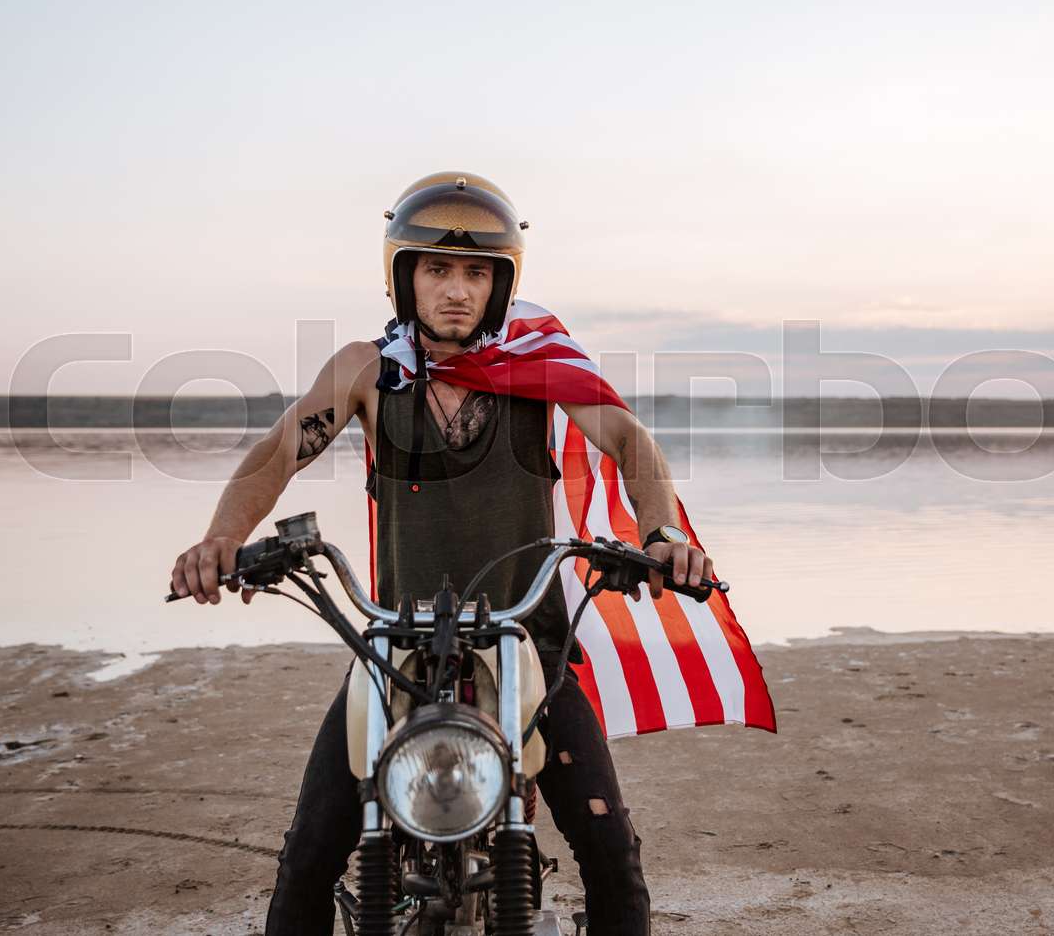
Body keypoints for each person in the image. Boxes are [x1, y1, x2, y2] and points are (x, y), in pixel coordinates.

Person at [169, 172, 712, 935]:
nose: (457, 289)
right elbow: (281, 448)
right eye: (437, 269)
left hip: (530, 646)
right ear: (405, 277)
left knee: (610, 853)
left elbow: (629, 439)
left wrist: (663, 536)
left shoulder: (538, 366)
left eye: (475, 272)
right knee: (310, 857)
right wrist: (222, 537)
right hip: (393, 646)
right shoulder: (367, 370)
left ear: (499, 283)